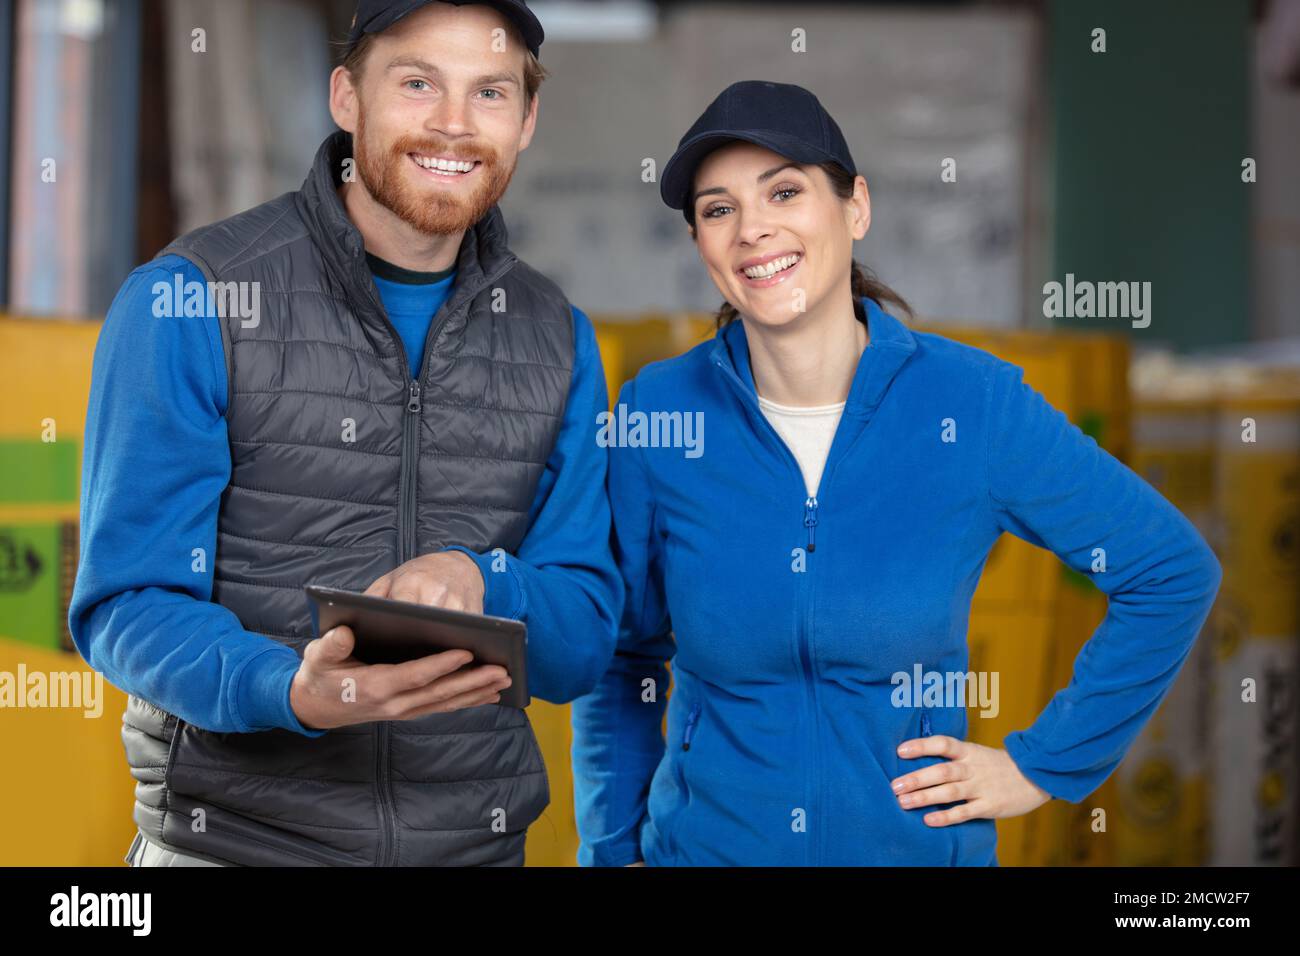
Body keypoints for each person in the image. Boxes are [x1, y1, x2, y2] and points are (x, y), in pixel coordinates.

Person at [570, 80, 1222, 866]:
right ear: (702, 243)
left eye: (784, 190)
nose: (753, 229)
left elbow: (1169, 570)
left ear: (855, 209)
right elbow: (624, 660)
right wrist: (611, 853)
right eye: (718, 208)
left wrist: (1043, 764)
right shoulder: (659, 414)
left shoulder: (972, 404)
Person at [70, 0, 621, 867]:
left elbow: (585, 635)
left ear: (526, 121)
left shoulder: (558, 337)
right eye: (416, 83)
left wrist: (484, 584)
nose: (453, 122)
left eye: (490, 92)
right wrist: (288, 688)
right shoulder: (191, 299)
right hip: (238, 849)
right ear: (345, 98)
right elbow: (124, 603)